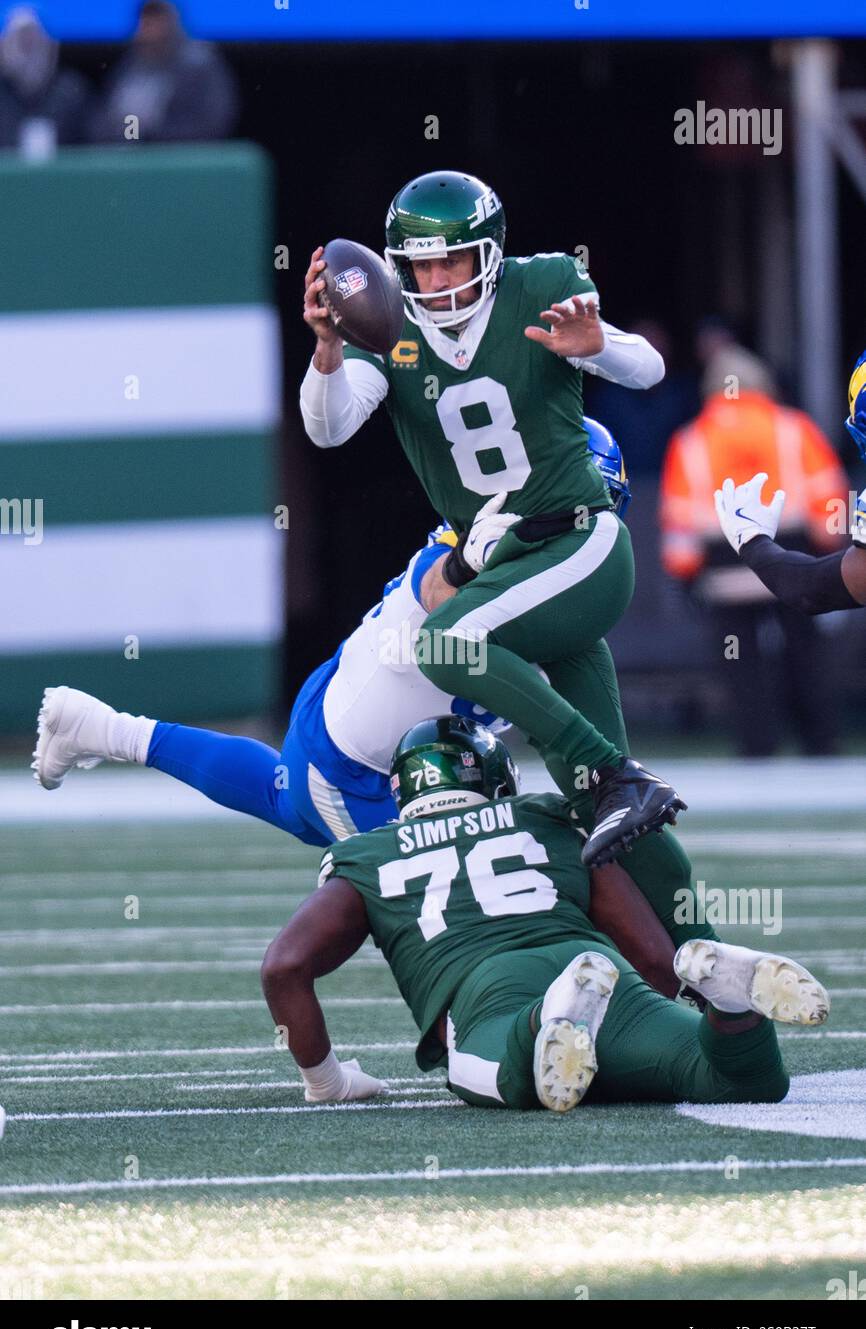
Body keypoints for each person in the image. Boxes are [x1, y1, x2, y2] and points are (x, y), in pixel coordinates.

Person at [301, 169, 685, 869]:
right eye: (420, 262)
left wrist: (597, 345)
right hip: (507, 565)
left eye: (452, 258)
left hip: (575, 536)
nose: (437, 277)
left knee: (447, 643)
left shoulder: (540, 286)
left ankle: (613, 778)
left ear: (490, 253)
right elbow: (328, 429)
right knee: (606, 829)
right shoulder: (388, 330)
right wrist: (328, 350)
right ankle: (700, 954)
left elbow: (652, 368)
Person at [32, 422, 629, 847]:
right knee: (447, 890)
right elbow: (438, 586)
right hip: (353, 761)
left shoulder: (562, 595)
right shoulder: (463, 552)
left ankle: (104, 728)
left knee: (283, 799)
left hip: (353, 713)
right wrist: (475, 561)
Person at [261, 716, 829, 1112]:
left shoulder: (369, 852)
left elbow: (284, 966)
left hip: (488, 994)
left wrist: (327, 1081)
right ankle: (730, 1002)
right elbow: (656, 960)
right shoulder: (545, 816)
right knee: (740, 1082)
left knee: (507, 1077)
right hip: (604, 972)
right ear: (497, 779)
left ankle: (547, 1021)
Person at [659, 343, 850, 757]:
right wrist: (831, 557)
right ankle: (821, 745)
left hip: (726, 572)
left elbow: (679, 522)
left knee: (740, 661)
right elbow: (829, 499)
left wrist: (687, 573)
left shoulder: (691, 441)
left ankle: (757, 747)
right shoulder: (793, 428)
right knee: (806, 655)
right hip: (795, 565)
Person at [714, 351, 866, 613]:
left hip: (722, 576)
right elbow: (828, 511)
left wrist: (753, 542)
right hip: (802, 547)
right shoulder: (793, 427)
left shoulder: (693, 437)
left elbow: (814, 591)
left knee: (739, 651)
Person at [87, 1, 238, 144]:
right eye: (146, 24)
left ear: (171, 24)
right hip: (128, 158)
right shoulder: (130, 67)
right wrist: (123, 137)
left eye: (156, 23)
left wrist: (150, 136)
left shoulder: (199, 66)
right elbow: (104, 117)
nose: (149, 32)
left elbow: (211, 123)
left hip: (180, 158)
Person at [0, 6, 89, 150]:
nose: (27, 49)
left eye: (32, 39)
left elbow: (93, 149)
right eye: (21, 40)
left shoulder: (72, 93)